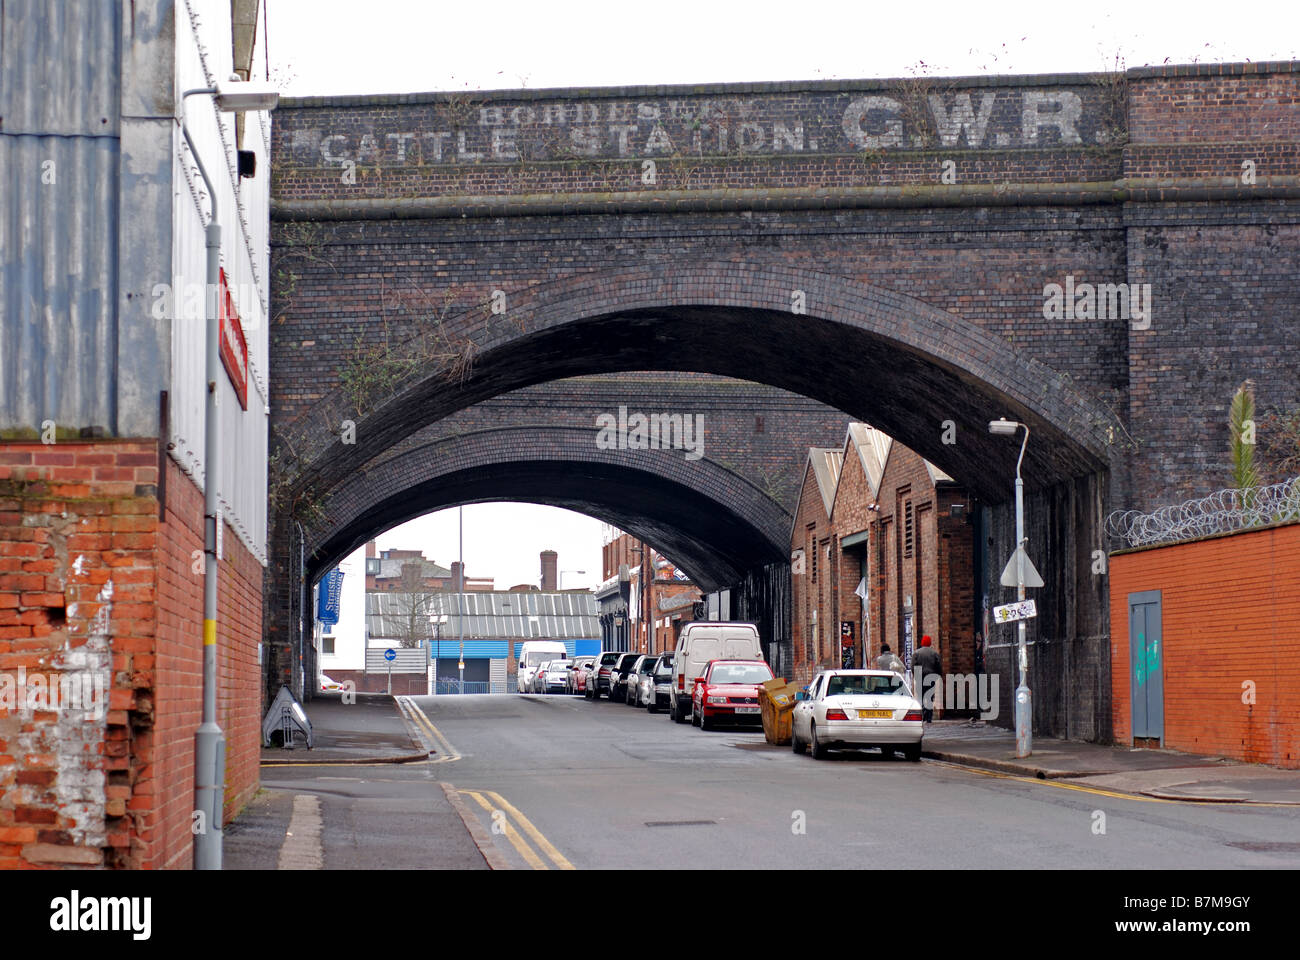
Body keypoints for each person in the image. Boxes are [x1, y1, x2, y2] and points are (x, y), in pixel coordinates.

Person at [913, 635, 942, 723]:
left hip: (920, 677)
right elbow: (938, 666)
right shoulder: (934, 653)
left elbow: (912, 666)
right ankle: (929, 717)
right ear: (929, 643)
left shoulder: (916, 653)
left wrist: (916, 676)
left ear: (922, 643)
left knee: (921, 697)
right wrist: (937, 675)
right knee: (929, 698)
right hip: (931, 677)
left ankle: (922, 715)